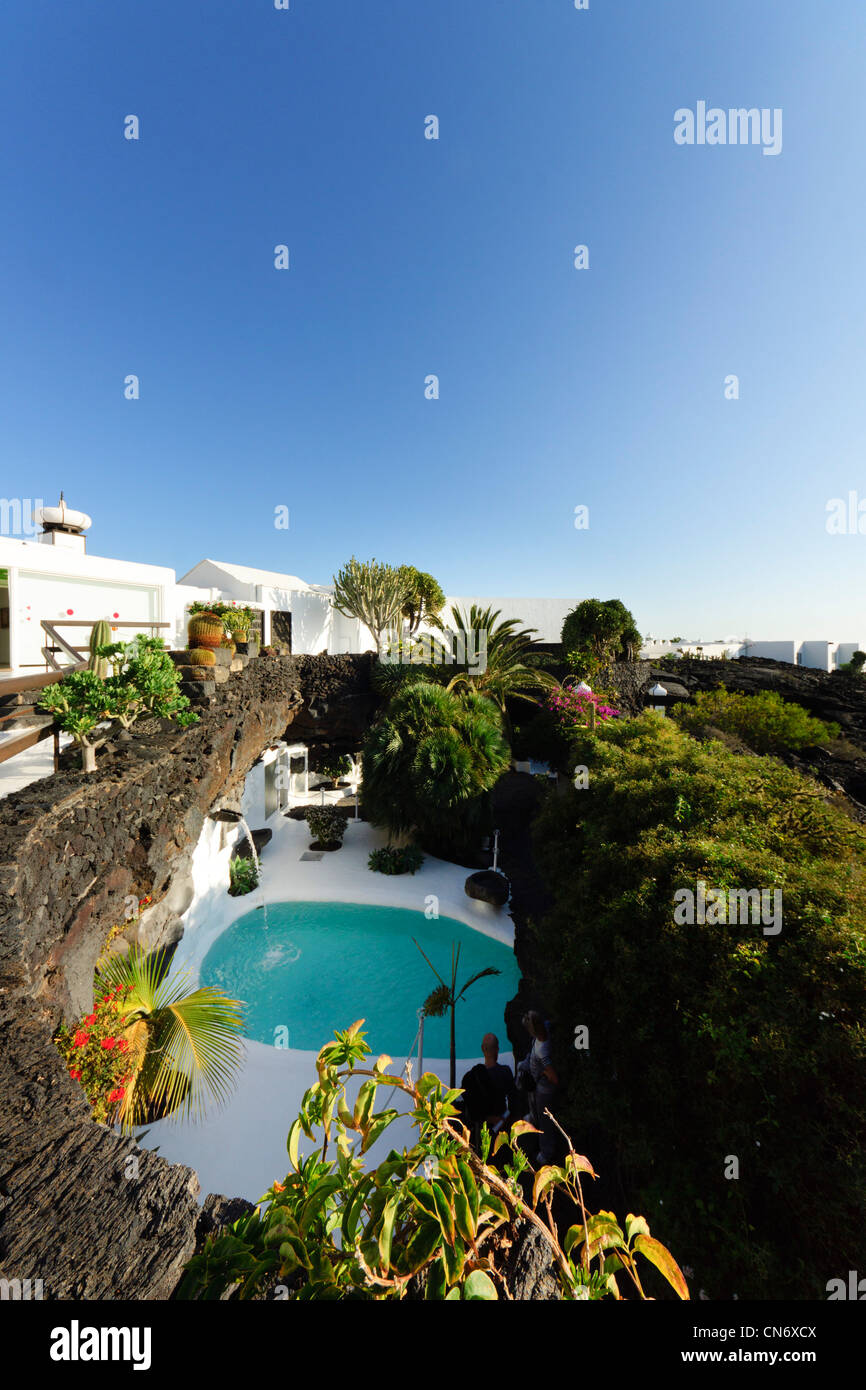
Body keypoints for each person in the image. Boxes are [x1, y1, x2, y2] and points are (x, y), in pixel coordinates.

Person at [459, 1033, 518, 1146]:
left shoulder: (472, 1076)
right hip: (502, 1125)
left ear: (482, 1049)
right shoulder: (505, 1072)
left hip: (482, 1128)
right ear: (497, 1049)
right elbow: (513, 1100)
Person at [518, 1010, 559, 1163]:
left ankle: (546, 1153)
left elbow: (554, 1078)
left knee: (545, 1121)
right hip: (538, 1085)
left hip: (543, 1089)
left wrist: (545, 1074)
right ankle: (533, 1116)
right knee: (535, 1106)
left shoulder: (542, 1052)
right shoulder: (546, 1028)